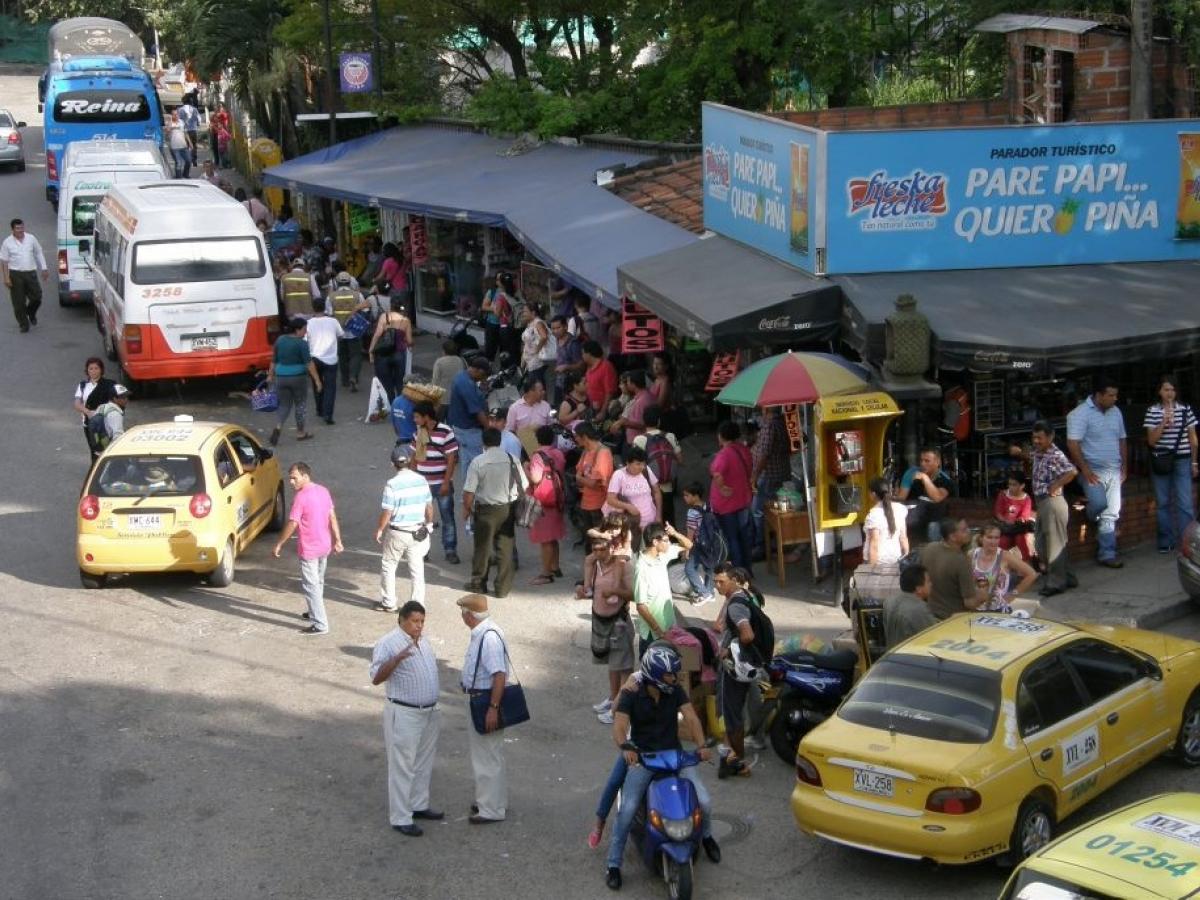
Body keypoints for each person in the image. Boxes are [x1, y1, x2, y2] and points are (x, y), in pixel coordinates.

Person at [604, 643, 718, 891]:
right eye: (670, 674)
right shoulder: (632, 693)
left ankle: (707, 837)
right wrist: (626, 747)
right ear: (655, 674)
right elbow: (619, 725)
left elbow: (690, 717)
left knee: (705, 801)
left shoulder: (674, 690)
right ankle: (613, 863)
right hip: (643, 758)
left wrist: (700, 745)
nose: (675, 678)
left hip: (674, 756)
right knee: (628, 810)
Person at [369, 600, 444, 837]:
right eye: (414, 621)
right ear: (401, 620)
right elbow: (376, 677)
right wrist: (396, 660)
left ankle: (418, 805)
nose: (419, 626)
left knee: (423, 762)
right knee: (402, 766)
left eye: (422, 621)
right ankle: (401, 817)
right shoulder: (388, 643)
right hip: (404, 713)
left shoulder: (423, 641)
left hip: (429, 711)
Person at [457, 592, 511, 824]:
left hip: (484, 701)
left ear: (469, 615)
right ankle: (490, 800)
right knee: (488, 754)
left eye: (463, 612)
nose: (461, 616)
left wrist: (493, 707)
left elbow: (499, 675)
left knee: (487, 756)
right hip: (482, 699)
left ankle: (491, 809)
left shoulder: (487, 637)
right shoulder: (486, 632)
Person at [272, 462, 343, 634]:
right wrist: (338, 540)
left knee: (311, 585)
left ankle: (320, 624)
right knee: (318, 582)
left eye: (294, 478)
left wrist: (279, 543)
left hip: (310, 549)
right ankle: (313, 611)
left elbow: (293, 523)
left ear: (305, 476)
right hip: (324, 546)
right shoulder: (323, 491)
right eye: (290, 478)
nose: (291, 482)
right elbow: (332, 517)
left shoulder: (301, 497)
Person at [1066, 376, 1127, 568]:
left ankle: (1107, 554)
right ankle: (1095, 517)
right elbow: (1072, 443)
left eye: (1116, 395)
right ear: (1099, 395)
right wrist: (1085, 469)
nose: (1115, 398)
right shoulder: (1079, 414)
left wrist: (1124, 466)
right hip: (1092, 470)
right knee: (1100, 505)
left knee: (1112, 513)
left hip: (1114, 469)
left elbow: (1122, 440)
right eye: (1111, 395)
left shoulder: (1116, 411)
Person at [462, 428, 528, 599]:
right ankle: (502, 588)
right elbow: (524, 484)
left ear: (483, 442)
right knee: (505, 548)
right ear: (499, 441)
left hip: (485, 510)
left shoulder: (478, 462)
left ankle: (479, 584)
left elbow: (469, 492)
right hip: (508, 508)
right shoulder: (511, 459)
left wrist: (466, 509)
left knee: (482, 548)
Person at [712, 565, 760, 780]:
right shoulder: (748, 597)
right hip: (746, 667)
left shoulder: (735, 606)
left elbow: (747, 635)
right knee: (734, 712)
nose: (717, 585)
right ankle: (732, 758)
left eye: (721, 581)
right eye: (715, 581)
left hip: (733, 668)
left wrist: (728, 649)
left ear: (735, 581)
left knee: (728, 714)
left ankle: (736, 762)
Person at [1023, 421, 1080, 598]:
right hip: (1042, 502)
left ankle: (1056, 582)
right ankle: (1068, 576)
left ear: (1050, 436)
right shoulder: (1038, 452)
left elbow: (1072, 472)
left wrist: (1056, 485)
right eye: (1034, 437)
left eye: (1040, 437)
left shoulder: (1055, 454)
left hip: (1052, 502)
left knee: (1053, 545)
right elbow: (1030, 456)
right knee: (1041, 544)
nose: (1036, 441)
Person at [375, 444, 433, 613]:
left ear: (393, 464)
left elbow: (388, 511)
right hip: (418, 531)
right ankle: (417, 605)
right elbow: (429, 507)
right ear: (410, 461)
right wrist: (429, 524)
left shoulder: (392, 484)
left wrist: (380, 529)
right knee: (417, 569)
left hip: (397, 532)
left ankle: (389, 602)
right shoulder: (421, 480)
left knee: (389, 566)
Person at [1143, 374, 1198, 553]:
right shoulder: (1153, 411)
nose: (1170, 393)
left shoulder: (1185, 409)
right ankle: (1166, 540)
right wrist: (1163, 424)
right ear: (1159, 391)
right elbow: (1151, 440)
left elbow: (1193, 437)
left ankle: (1187, 542)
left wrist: (1195, 462)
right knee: (1163, 502)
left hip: (1183, 458)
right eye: (1166, 389)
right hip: (1162, 460)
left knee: (1185, 502)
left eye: (1173, 389)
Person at [587, 537, 634, 726]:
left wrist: (615, 591)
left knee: (623, 666)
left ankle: (620, 707)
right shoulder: (594, 566)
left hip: (619, 622)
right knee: (612, 664)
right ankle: (613, 698)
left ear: (611, 549)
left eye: (602, 549)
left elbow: (633, 594)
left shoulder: (623, 567)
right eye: (595, 550)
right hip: (601, 622)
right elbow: (591, 589)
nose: (599, 554)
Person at [412, 401, 460, 564]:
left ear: (427, 417)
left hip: (441, 483)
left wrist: (446, 483)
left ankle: (450, 549)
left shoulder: (446, 432)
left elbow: (451, 459)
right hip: (422, 484)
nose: (415, 420)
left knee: (447, 518)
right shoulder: (419, 432)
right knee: (422, 519)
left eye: (418, 417)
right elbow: (414, 457)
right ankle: (423, 550)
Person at [632, 523, 689, 658]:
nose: (669, 543)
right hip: (653, 634)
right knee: (652, 671)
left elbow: (688, 545)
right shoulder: (642, 568)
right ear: (655, 542)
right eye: (666, 540)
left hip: (669, 625)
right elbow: (641, 606)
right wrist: (659, 632)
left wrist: (674, 533)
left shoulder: (662, 555)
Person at [919, 517, 988, 620]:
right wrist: (983, 595)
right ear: (952, 537)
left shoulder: (929, 548)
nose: (969, 532)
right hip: (954, 619)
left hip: (931, 614)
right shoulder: (961, 561)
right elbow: (969, 603)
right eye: (964, 530)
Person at [268, 317, 320, 446]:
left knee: (284, 405)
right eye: (304, 329)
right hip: (298, 378)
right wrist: (317, 380)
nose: (305, 332)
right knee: (300, 405)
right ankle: (301, 432)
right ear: (297, 330)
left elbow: (273, 360)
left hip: (281, 378)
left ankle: (278, 426)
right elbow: (309, 363)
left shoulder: (280, 340)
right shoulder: (301, 343)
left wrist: (270, 375)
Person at [709, 421, 754, 572]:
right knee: (743, 536)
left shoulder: (724, 454)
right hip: (743, 499)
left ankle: (738, 571)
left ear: (721, 436)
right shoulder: (744, 450)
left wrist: (721, 488)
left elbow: (717, 473)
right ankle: (747, 569)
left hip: (727, 504)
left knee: (732, 538)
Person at [749, 407, 792, 557]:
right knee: (775, 509)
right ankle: (774, 542)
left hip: (768, 474)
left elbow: (764, 454)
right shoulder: (783, 422)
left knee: (758, 510)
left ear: (766, 407)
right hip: (781, 472)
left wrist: (754, 476)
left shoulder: (770, 425)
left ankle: (762, 546)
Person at [526, 425, 566, 585]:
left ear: (537, 439)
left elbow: (535, 478)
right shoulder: (558, 453)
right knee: (553, 536)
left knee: (545, 539)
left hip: (543, 500)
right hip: (557, 497)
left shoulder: (538, 456)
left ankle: (546, 573)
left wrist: (525, 468)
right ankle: (555, 567)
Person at [971, 522, 1038, 613]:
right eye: (989, 537)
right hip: (975, 608)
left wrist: (1012, 595)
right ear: (981, 538)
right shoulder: (972, 554)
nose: (993, 541)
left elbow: (1031, 574)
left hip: (999, 609)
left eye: (996, 538)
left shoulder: (1005, 556)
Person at [633, 405, 681, 528]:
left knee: (652, 524)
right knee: (669, 523)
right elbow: (680, 460)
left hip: (648, 489)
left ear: (644, 422)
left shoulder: (639, 440)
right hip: (668, 487)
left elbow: (635, 467)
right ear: (659, 421)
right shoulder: (670, 436)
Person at [604, 447, 661, 551]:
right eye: (638, 464)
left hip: (650, 520)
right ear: (628, 463)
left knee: (650, 551)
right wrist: (628, 506)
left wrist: (659, 515)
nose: (641, 467)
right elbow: (610, 499)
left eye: (643, 464)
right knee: (633, 551)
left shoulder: (646, 471)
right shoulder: (619, 475)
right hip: (632, 523)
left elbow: (657, 492)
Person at [1, 218, 49, 333]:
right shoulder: (7, 242)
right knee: (18, 302)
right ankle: (23, 324)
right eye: (17, 228)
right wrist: (6, 278)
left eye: (22, 227)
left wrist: (44, 268)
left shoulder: (31, 238)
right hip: (15, 274)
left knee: (37, 297)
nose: (20, 230)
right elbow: (4, 262)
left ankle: (30, 312)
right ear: (12, 229)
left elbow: (38, 252)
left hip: (30, 273)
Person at [897, 448, 953, 544]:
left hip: (934, 521)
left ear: (937, 462)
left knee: (933, 527)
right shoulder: (912, 474)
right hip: (913, 520)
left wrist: (925, 478)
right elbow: (901, 498)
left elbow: (937, 497)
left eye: (927, 461)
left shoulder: (945, 480)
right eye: (921, 460)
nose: (923, 464)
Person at [447, 356, 490, 476]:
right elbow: (478, 412)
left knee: (467, 462)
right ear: (479, 371)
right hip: (469, 431)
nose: (482, 379)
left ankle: (466, 492)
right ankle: (474, 491)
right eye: (483, 376)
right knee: (477, 465)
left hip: (460, 428)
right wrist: (489, 430)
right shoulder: (467, 385)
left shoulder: (461, 376)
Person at [305, 298, 343, 425]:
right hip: (331, 358)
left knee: (317, 383)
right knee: (330, 387)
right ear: (325, 308)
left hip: (314, 357)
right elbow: (341, 334)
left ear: (313, 308)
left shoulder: (308, 323)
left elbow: (305, 339)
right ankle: (328, 414)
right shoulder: (333, 321)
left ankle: (320, 409)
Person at [368, 295, 412, 404]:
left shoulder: (384, 316)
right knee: (399, 381)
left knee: (386, 382)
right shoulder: (405, 320)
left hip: (383, 354)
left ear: (391, 305)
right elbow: (410, 341)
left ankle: (391, 403)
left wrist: (371, 350)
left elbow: (377, 334)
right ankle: (401, 404)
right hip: (399, 354)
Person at [882, 564, 938, 648]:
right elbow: (933, 638)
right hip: (911, 658)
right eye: (928, 581)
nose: (931, 584)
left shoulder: (889, 601)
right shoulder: (919, 609)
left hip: (892, 654)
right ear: (918, 588)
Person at [74, 357, 118, 459]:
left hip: (106, 424)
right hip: (89, 424)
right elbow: (77, 403)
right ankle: (96, 470)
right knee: (94, 449)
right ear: (87, 370)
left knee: (107, 449)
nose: (93, 371)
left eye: (96, 368)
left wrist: (99, 412)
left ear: (101, 370)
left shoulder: (110, 384)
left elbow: (116, 402)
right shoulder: (83, 386)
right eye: (91, 369)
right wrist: (88, 412)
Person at [681, 482, 719, 603]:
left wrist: (686, 549)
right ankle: (710, 591)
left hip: (698, 545)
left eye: (687, 495)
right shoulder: (709, 506)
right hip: (711, 542)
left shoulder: (692, 512)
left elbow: (690, 533)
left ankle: (703, 592)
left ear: (696, 496)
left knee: (689, 568)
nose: (684, 498)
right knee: (709, 567)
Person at [576, 422, 614, 535]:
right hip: (586, 502)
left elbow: (592, 483)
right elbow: (579, 470)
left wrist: (579, 478)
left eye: (577, 436)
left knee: (599, 539)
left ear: (585, 437)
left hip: (599, 505)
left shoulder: (603, 453)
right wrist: (580, 478)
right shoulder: (586, 451)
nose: (576, 439)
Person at [862, 476, 909, 566]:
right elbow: (903, 538)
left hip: (878, 561)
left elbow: (874, 545)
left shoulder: (873, 515)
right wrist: (906, 558)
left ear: (873, 494)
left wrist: (872, 570)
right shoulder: (901, 509)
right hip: (896, 558)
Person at [993, 470, 1035, 561]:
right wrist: (1005, 520)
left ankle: (1026, 565)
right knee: (1002, 543)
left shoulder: (1026, 498)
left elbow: (1025, 515)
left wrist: (1019, 520)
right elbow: (998, 512)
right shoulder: (1003, 495)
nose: (1011, 487)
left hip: (1018, 529)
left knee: (1021, 539)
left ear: (1022, 486)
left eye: (1014, 484)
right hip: (1005, 529)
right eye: (1010, 484)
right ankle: (998, 567)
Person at [609, 369, 651, 450]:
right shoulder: (641, 397)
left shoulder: (642, 400)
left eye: (628, 382)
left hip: (638, 444)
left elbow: (641, 424)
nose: (626, 384)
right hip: (633, 441)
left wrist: (621, 423)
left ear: (633, 384)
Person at [480, 272, 516, 361]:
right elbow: (484, 306)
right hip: (492, 324)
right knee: (490, 348)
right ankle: (488, 365)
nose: (500, 281)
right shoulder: (492, 292)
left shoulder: (512, 292)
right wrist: (495, 308)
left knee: (505, 349)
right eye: (498, 279)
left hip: (505, 326)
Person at [550, 315, 584, 405]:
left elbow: (581, 364)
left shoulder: (573, 343)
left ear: (565, 327)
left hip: (571, 384)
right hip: (559, 381)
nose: (555, 331)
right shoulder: (557, 340)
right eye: (553, 329)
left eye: (558, 328)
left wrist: (566, 367)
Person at [519, 302, 553, 390]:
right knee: (536, 385)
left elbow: (544, 336)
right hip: (530, 361)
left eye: (525, 312)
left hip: (536, 362)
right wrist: (524, 358)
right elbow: (528, 343)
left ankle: (543, 403)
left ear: (533, 312)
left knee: (538, 387)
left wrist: (537, 350)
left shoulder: (538, 323)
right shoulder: (531, 323)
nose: (523, 314)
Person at [89, 384, 131, 451]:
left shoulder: (102, 407)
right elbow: (118, 435)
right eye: (123, 397)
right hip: (110, 450)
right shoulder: (115, 413)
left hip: (99, 448)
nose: (126, 399)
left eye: (127, 396)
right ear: (115, 399)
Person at [431, 340, 465, 421]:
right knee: (452, 425)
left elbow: (435, 381)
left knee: (439, 424)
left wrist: (432, 399)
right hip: (455, 399)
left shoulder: (439, 362)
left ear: (444, 350)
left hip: (441, 399)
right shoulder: (460, 361)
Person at [583, 340, 619, 414]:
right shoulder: (589, 368)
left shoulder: (606, 367)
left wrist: (603, 411)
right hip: (593, 408)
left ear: (589, 354)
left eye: (583, 353)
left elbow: (610, 392)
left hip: (605, 410)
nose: (582, 356)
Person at [391, 375, 418, 448]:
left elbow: (394, 423)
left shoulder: (395, 401)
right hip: (414, 441)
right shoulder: (415, 404)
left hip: (401, 440)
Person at [177, 94, 202, 164]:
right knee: (194, 145)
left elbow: (179, 120)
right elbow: (199, 119)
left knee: (186, 146)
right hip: (193, 130)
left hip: (185, 131)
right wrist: (198, 124)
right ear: (190, 101)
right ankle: (194, 160)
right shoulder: (194, 109)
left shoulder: (180, 110)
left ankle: (187, 160)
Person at [167, 111, 191, 178]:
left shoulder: (181, 122)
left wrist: (190, 143)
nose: (176, 116)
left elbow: (186, 133)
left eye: (177, 114)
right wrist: (170, 122)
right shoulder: (170, 123)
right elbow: (167, 131)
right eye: (174, 115)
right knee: (178, 163)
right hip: (174, 147)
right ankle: (178, 177)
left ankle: (185, 174)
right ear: (172, 116)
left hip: (183, 146)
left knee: (188, 161)